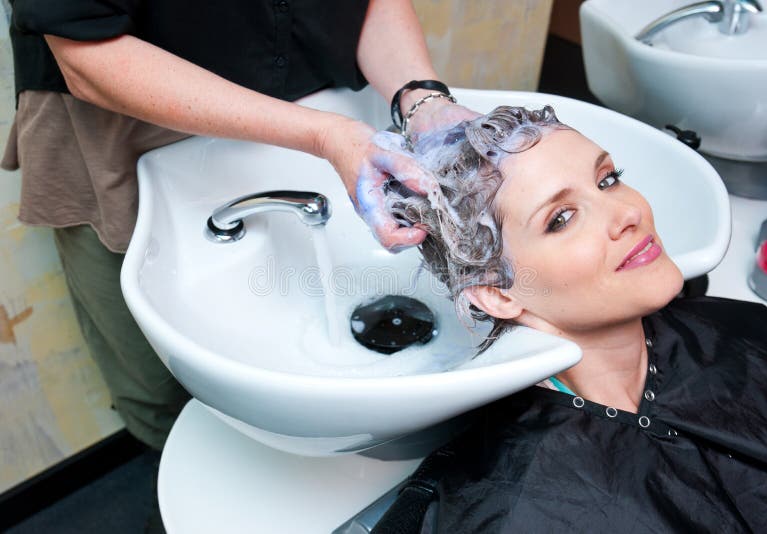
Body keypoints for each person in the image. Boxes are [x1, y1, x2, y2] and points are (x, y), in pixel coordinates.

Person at [3, 0, 477, 450]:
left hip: (334, 108)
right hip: (133, 130)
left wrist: (422, 101)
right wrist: (322, 134)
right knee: (163, 384)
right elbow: (86, 49)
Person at [379, 106, 767, 532]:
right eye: (561, 219)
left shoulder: (743, 328)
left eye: (608, 180)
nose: (627, 213)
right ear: (497, 293)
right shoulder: (517, 508)